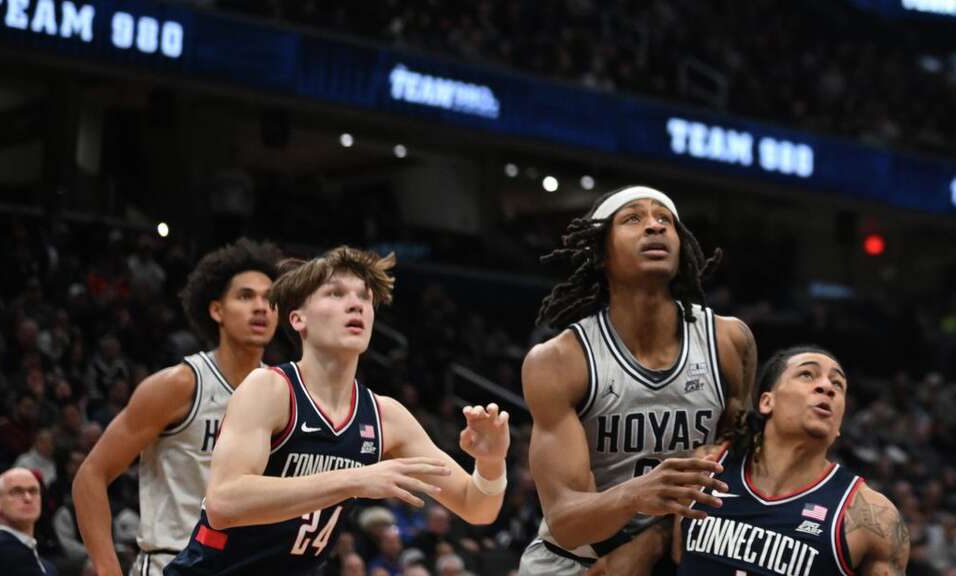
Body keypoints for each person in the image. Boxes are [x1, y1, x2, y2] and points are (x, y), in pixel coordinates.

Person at [161, 247, 511, 576]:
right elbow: (224, 502)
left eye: (364, 297)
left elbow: (476, 507)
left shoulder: (386, 416)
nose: (356, 305)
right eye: (336, 294)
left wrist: (491, 463)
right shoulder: (270, 389)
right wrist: (354, 479)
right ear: (298, 319)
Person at [521, 188, 757, 576]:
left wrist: (655, 538)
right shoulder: (560, 360)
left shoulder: (728, 341)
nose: (654, 226)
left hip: (678, 553)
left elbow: (742, 467)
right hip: (578, 560)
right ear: (601, 253)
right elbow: (565, 521)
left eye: (665, 219)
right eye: (633, 218)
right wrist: (636, 495)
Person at [73, 240, 283, 576]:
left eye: (269, 299)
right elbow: (91, 475)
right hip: (171, 561)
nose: (261, 307)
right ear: (216, 310)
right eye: (246, 296)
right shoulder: (180, 385)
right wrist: (108, 570)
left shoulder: (282, 394)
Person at [674, 346, 906, 576]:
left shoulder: (873, 517)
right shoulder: (705, 465)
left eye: (838, 384)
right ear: (767, 402)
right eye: (807, 374)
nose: (827, 387)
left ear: (839, 425)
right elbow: (675, 555)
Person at [0, 470, 51, 576]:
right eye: (17, 492)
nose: (28, 498)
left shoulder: (45, 564)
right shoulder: (0, 552)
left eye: (33, 491)